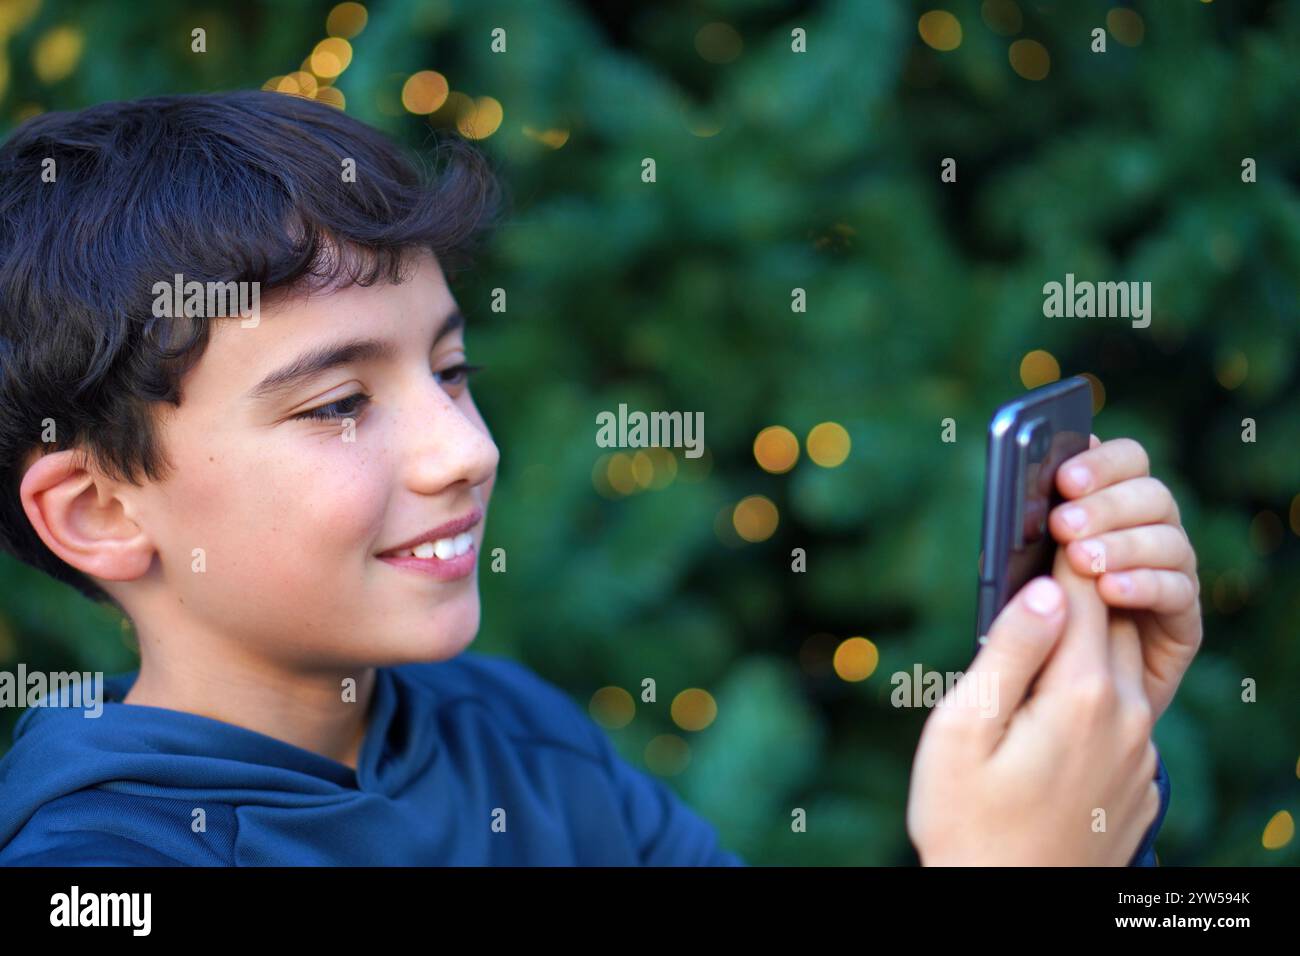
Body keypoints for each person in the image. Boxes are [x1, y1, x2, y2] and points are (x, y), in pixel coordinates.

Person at [0, 91, 1200, 866]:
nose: (465, 448)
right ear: (100, 509)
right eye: (339, 402)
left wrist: (1074, 771)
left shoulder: (514, 734)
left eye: (452, 367)